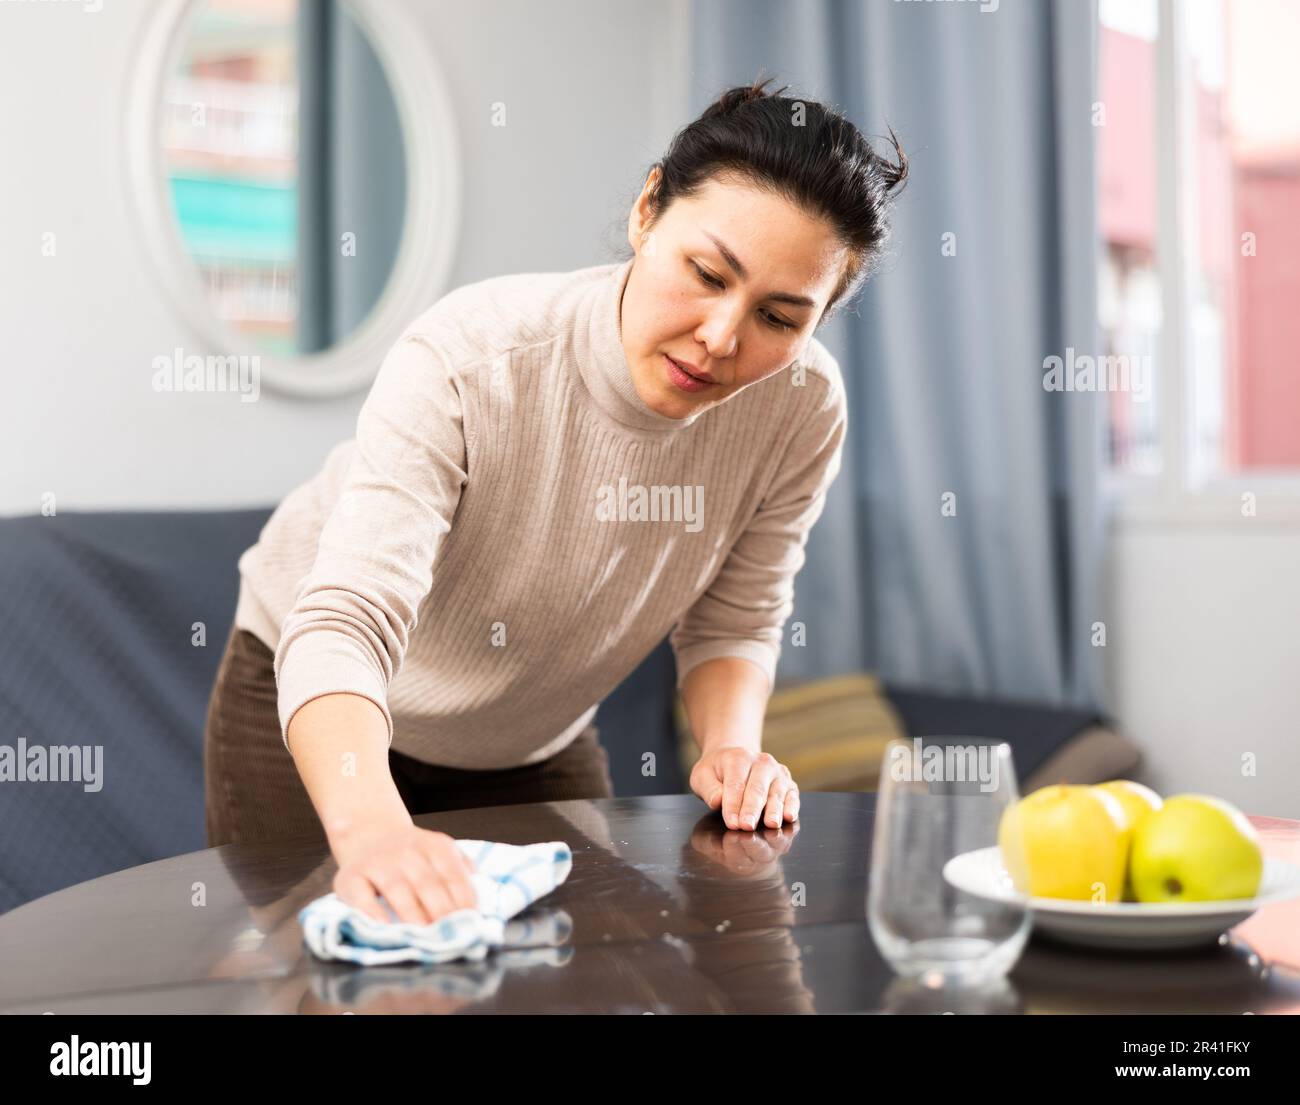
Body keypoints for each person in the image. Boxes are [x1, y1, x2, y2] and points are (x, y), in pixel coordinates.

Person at [203, 75, 908, 927]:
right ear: (648, 209)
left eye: (780, 317)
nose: (721, 338)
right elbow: (346, 619)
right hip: (318, 699)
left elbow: (735, 618)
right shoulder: (470, 360)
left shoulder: (801, 409)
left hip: (529, 736)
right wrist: (372, 826)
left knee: (576, 975)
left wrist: (732, 751)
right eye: (706, 272)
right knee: (321, 971)